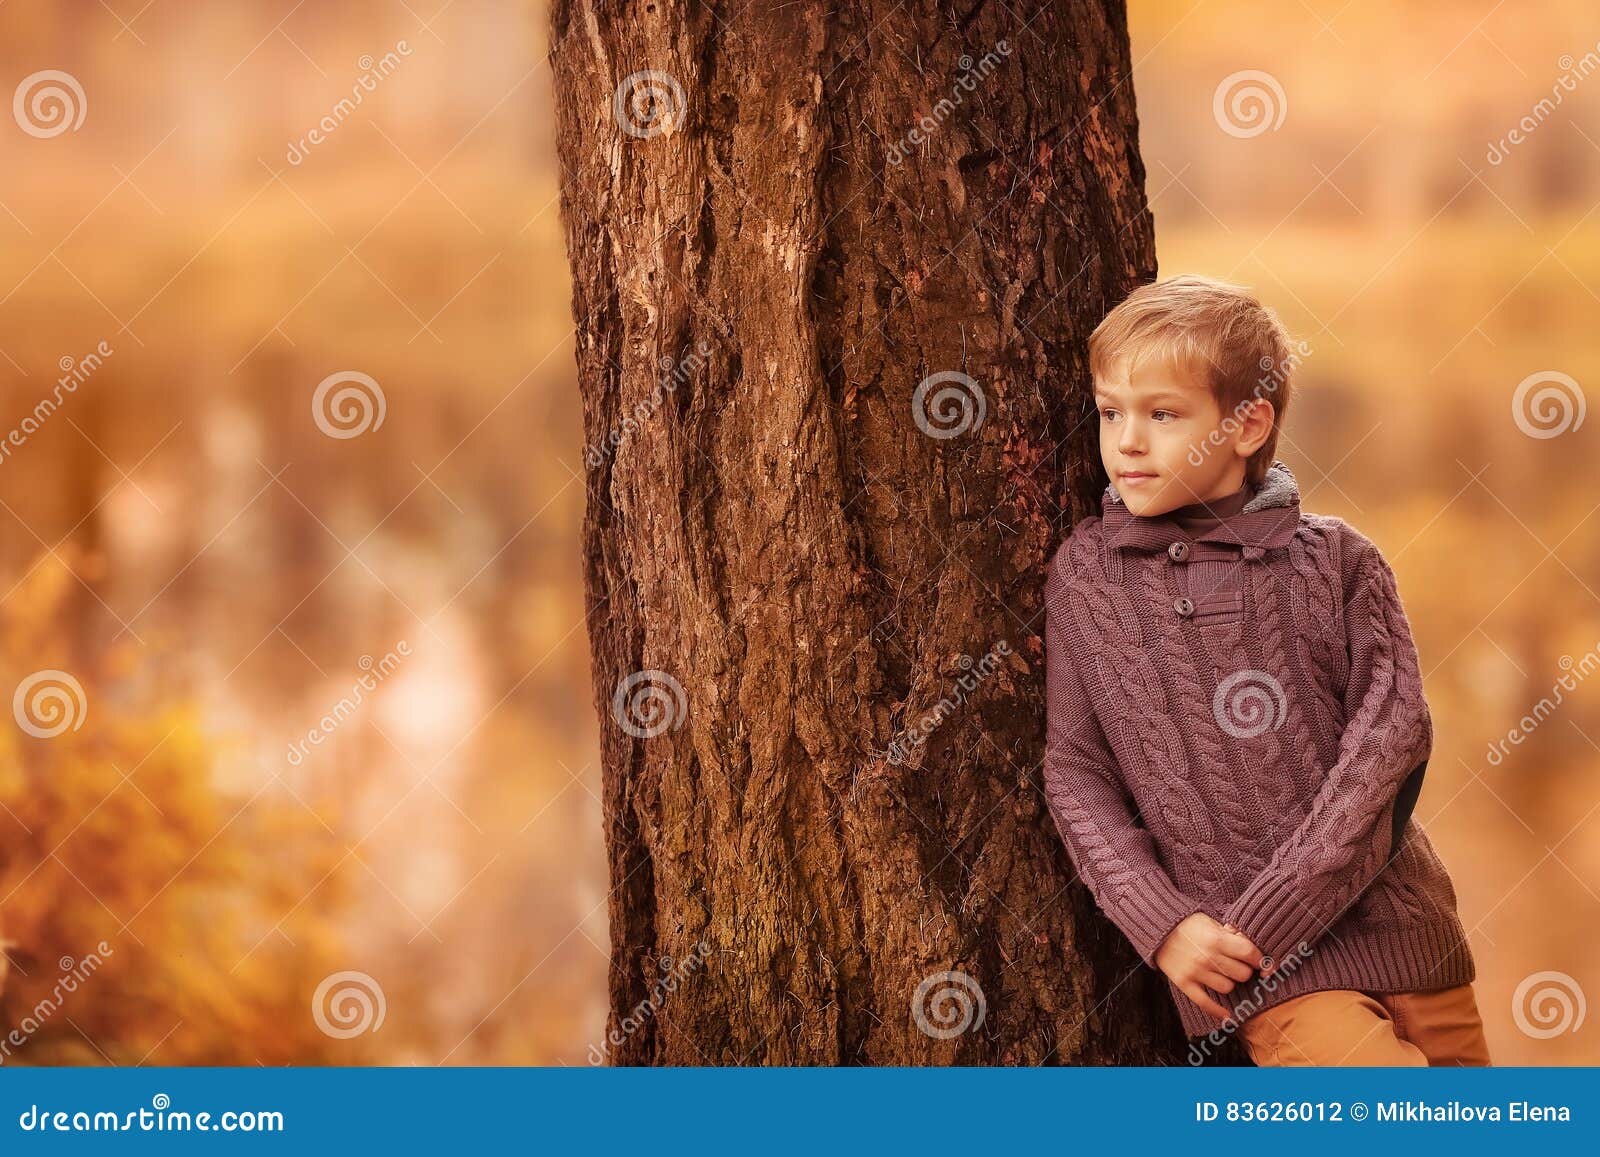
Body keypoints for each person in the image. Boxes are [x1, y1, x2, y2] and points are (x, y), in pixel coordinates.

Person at [1042, 274, 1490, 1066]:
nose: (1127, 442)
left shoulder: (1336, 560)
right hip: (1258, 976)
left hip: (1408, 932)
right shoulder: (1088, 577)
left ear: (1248, 423)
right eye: (1112, 411)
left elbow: (1393, 736)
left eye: (1163, 413)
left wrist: (1278, 907)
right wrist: (1165, 924)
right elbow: (1076, 771)